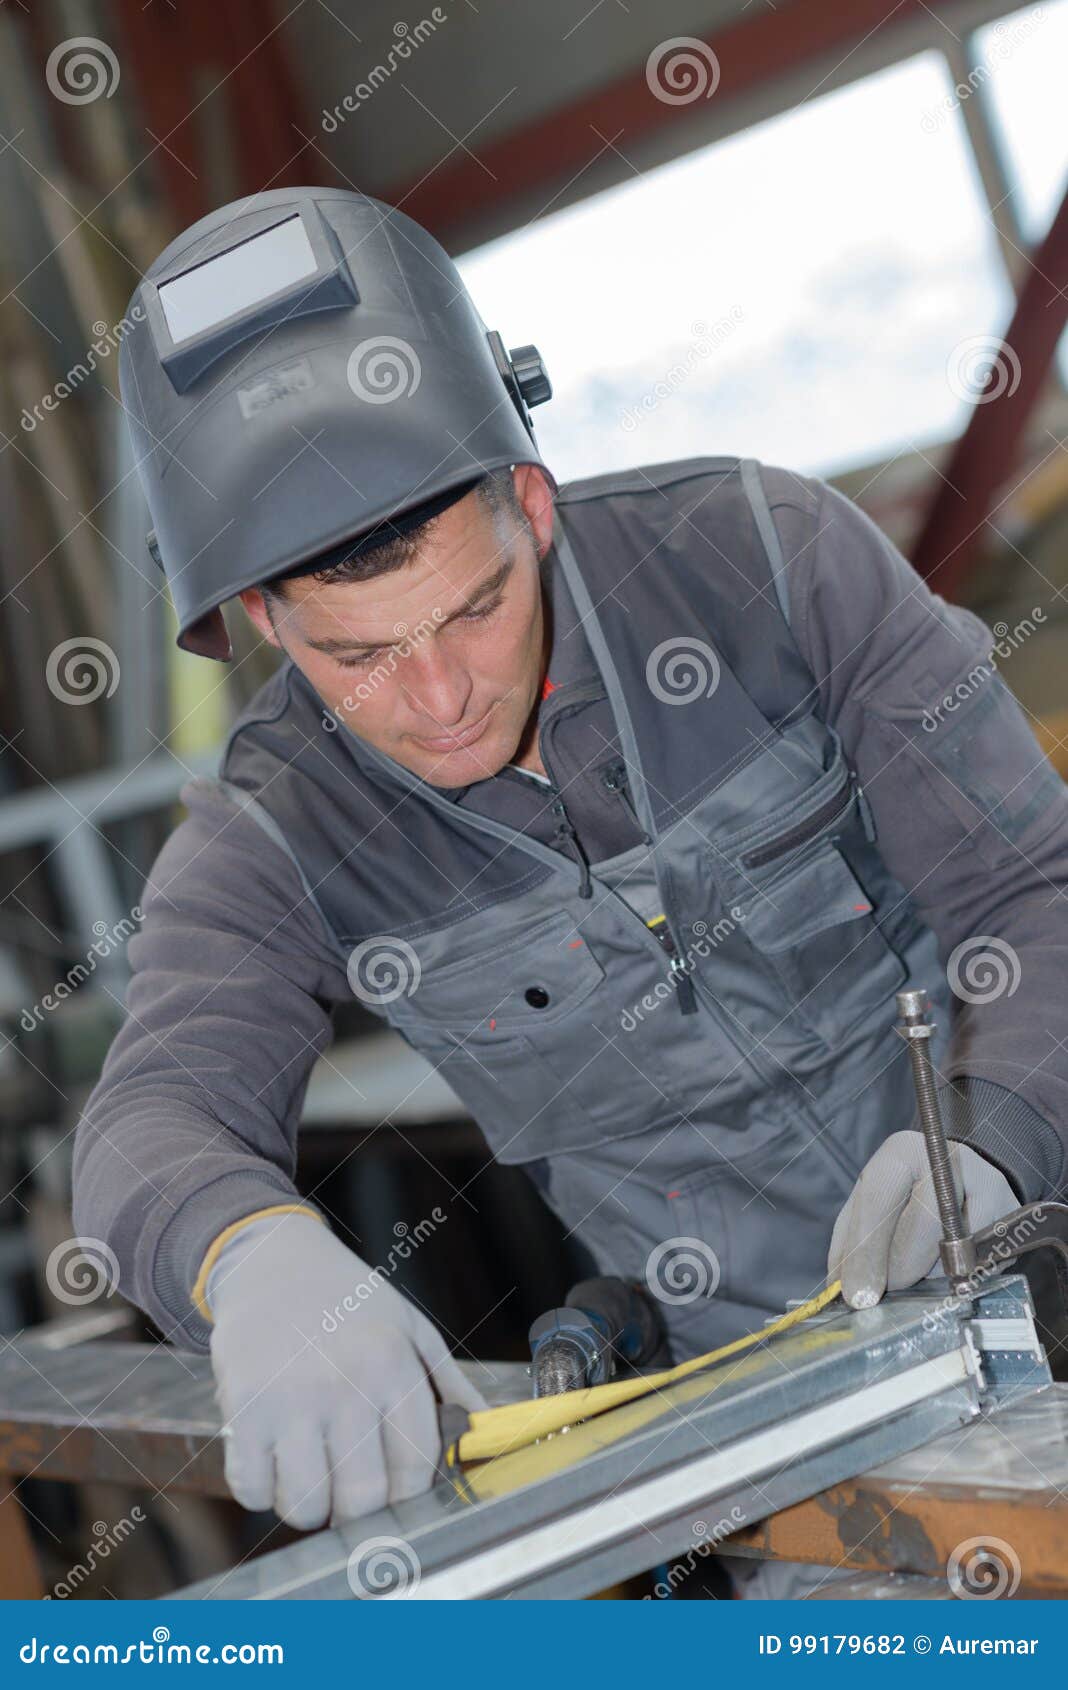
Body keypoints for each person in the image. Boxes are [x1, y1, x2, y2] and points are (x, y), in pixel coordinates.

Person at [73, 188, 1067, 1596]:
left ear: (528, 504)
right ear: (261, 624)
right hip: (800, 1445)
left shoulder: (764, 567)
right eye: (355, 655)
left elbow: (1039, 886)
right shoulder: (275, 828)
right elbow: (150, 1110)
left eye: (473, 606)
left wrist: (998, 1139)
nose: (435, 696)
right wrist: (247, 1254)